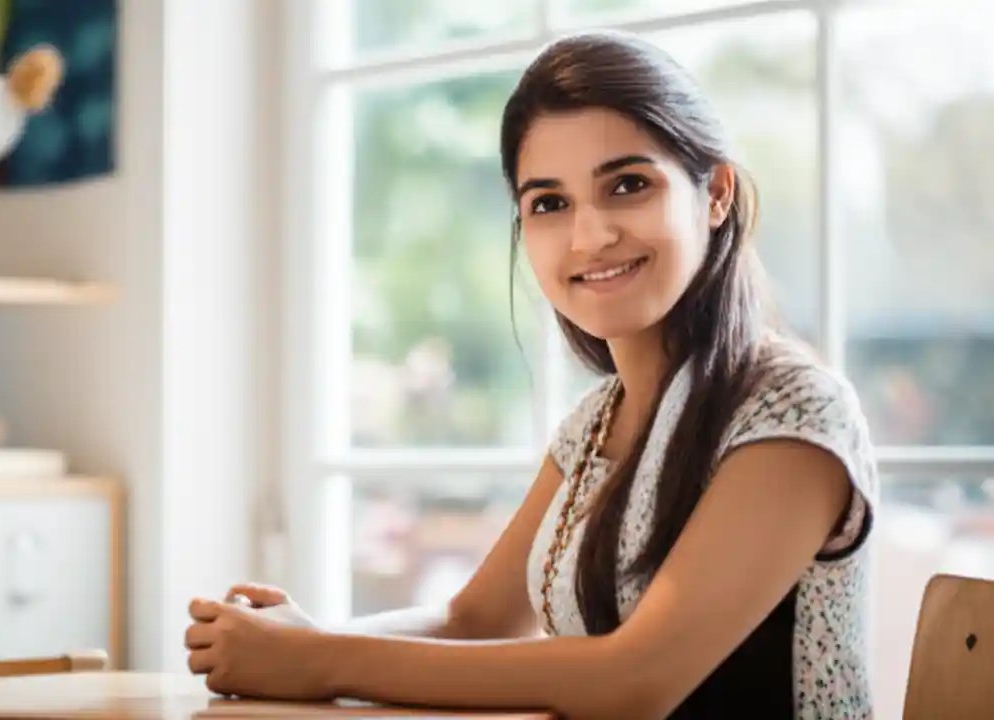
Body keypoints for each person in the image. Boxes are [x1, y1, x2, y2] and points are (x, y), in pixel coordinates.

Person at [184, 30, 877, 720]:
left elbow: (638, 680)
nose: (590, 237)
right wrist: (305, 640)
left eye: (628, 185)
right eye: (549, 203)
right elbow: (473, 619)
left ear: (716, 193)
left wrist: (319, 660)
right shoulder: (595, 423)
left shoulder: (794, 408)